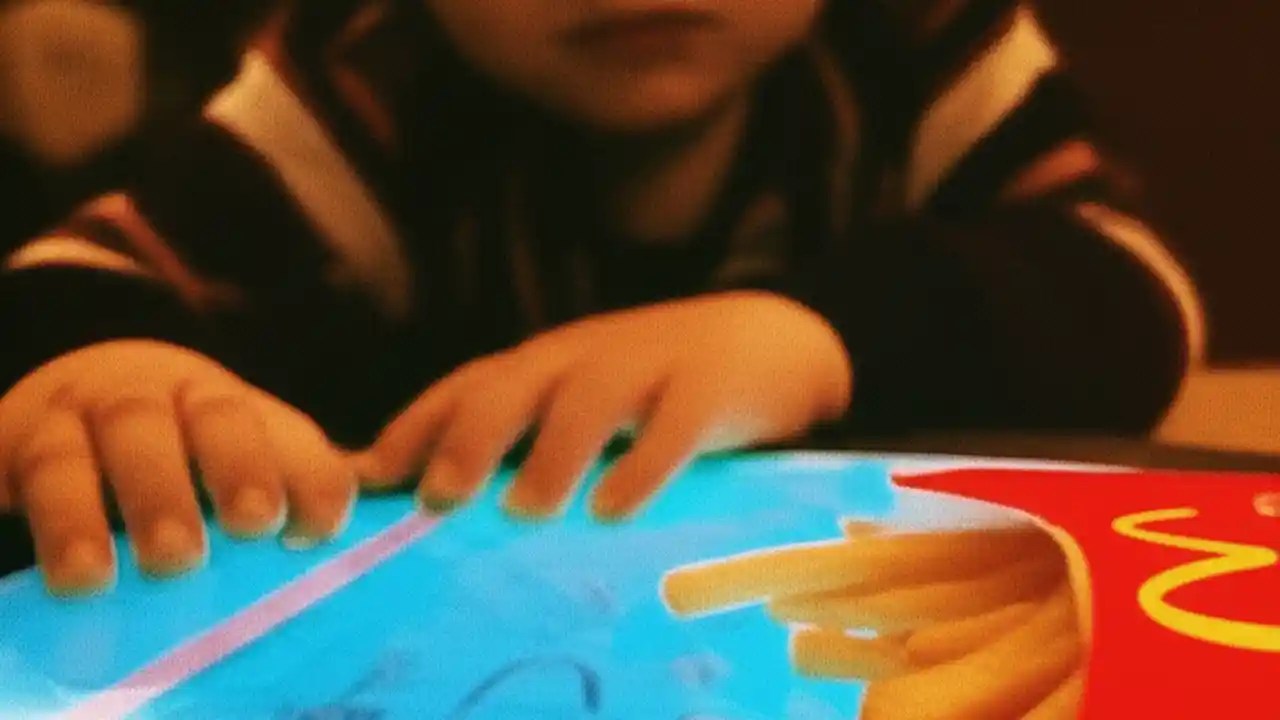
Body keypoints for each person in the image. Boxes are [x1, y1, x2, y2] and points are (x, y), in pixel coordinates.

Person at [0, 0, 1201, 594]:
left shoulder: (919, 39)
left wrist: (817, 333)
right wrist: (105, 375)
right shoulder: (360, 72)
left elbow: (1126, 287)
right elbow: (78, 281)